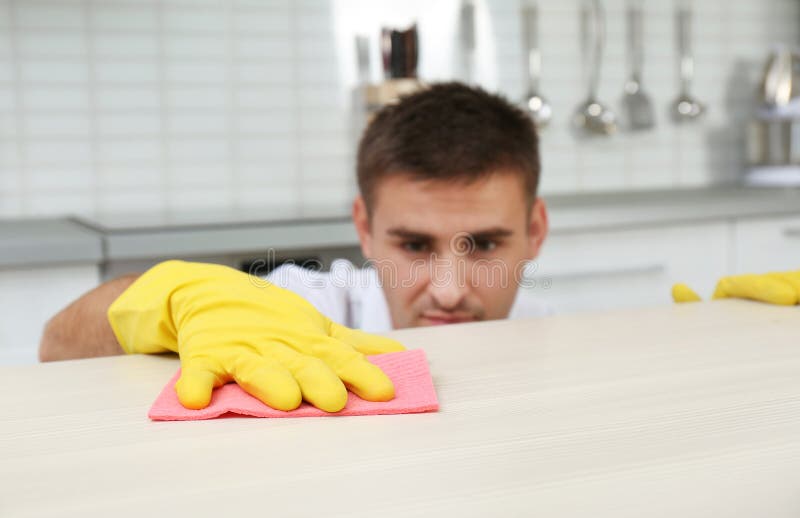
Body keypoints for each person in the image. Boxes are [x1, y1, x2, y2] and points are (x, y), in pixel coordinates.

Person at [38, 82, 551, 412]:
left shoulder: (547, 330)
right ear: (364, 228)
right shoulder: (304, 308)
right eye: (415, 244)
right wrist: (175, 301)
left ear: (535, 231)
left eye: (483, 244)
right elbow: (56, 346)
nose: (448, 291)